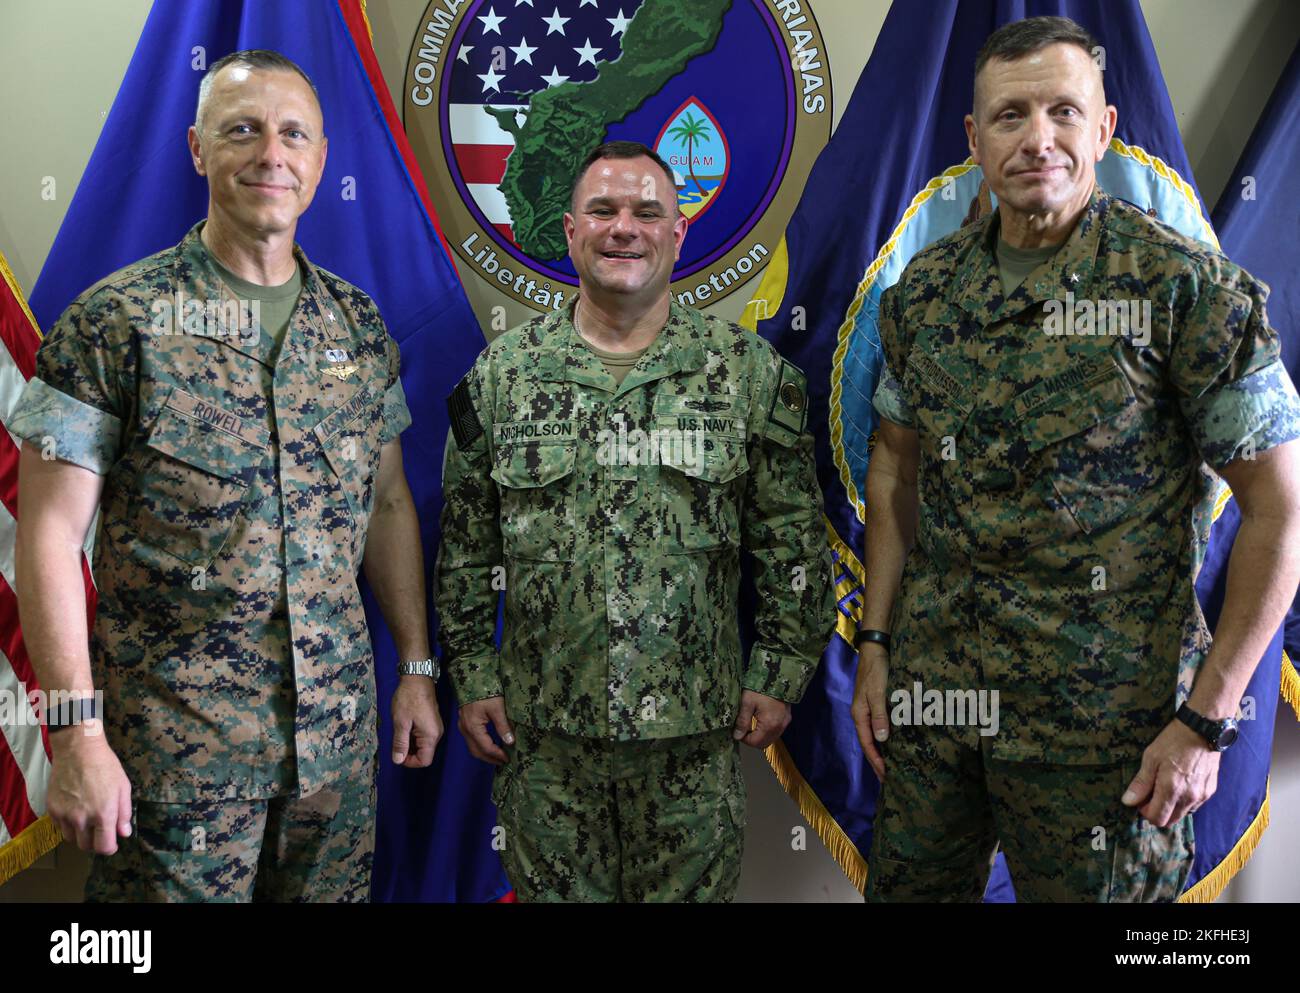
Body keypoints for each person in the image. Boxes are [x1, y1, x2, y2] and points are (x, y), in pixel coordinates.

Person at [851, 16, 1300, 902]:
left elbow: (1282, 507)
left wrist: (1208, 721)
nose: (1038, 138)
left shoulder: (1185, 291)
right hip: (939, 713)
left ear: (1104, 128)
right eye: (1011, 116)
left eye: (1064, 110)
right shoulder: (923, 297)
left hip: (1107, 736)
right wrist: (873, 642)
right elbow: (895, 471)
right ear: (975, 140)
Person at [11, 49, 442, 902]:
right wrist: (74, 735)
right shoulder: (116, 323)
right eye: (240, 130)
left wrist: (418, 668)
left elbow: (388, 501)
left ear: (320, 160)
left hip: (333, 756)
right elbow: (49, 535)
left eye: (293, 135)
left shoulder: (356, 327)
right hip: (172, 761)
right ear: (197, 149)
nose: (269, 155)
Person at [436, 140, 833, 902]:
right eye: (604, 210)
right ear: (570, 230)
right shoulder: (504, 375)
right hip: (545, 744)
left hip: (691, 745)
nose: (625, 228)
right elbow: (465, 543)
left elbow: (792, 542)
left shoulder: (745, 374)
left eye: (647, 212)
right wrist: (472, 674)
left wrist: (780, 671)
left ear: (678, 232)